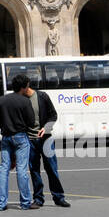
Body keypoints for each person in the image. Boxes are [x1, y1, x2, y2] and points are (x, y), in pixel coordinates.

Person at [21, 77, 70, 208]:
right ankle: (38, 199)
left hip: (46, 138)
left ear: (26, 87)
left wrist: (46, 128)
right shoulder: (21, 100)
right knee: (34, 170)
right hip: (30, 140)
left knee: (52, 169)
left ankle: (59, 197)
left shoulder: (42, 96)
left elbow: (53, 115)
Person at [0, 72, 36, 211]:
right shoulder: (25, 101)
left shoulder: (2, 100)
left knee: (4, 169)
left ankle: (1, 203)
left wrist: (5, 127)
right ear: (23, 87)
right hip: (21, 137)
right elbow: (31, 121)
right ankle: (25, 202)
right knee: (22, 169)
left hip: (6, 136)